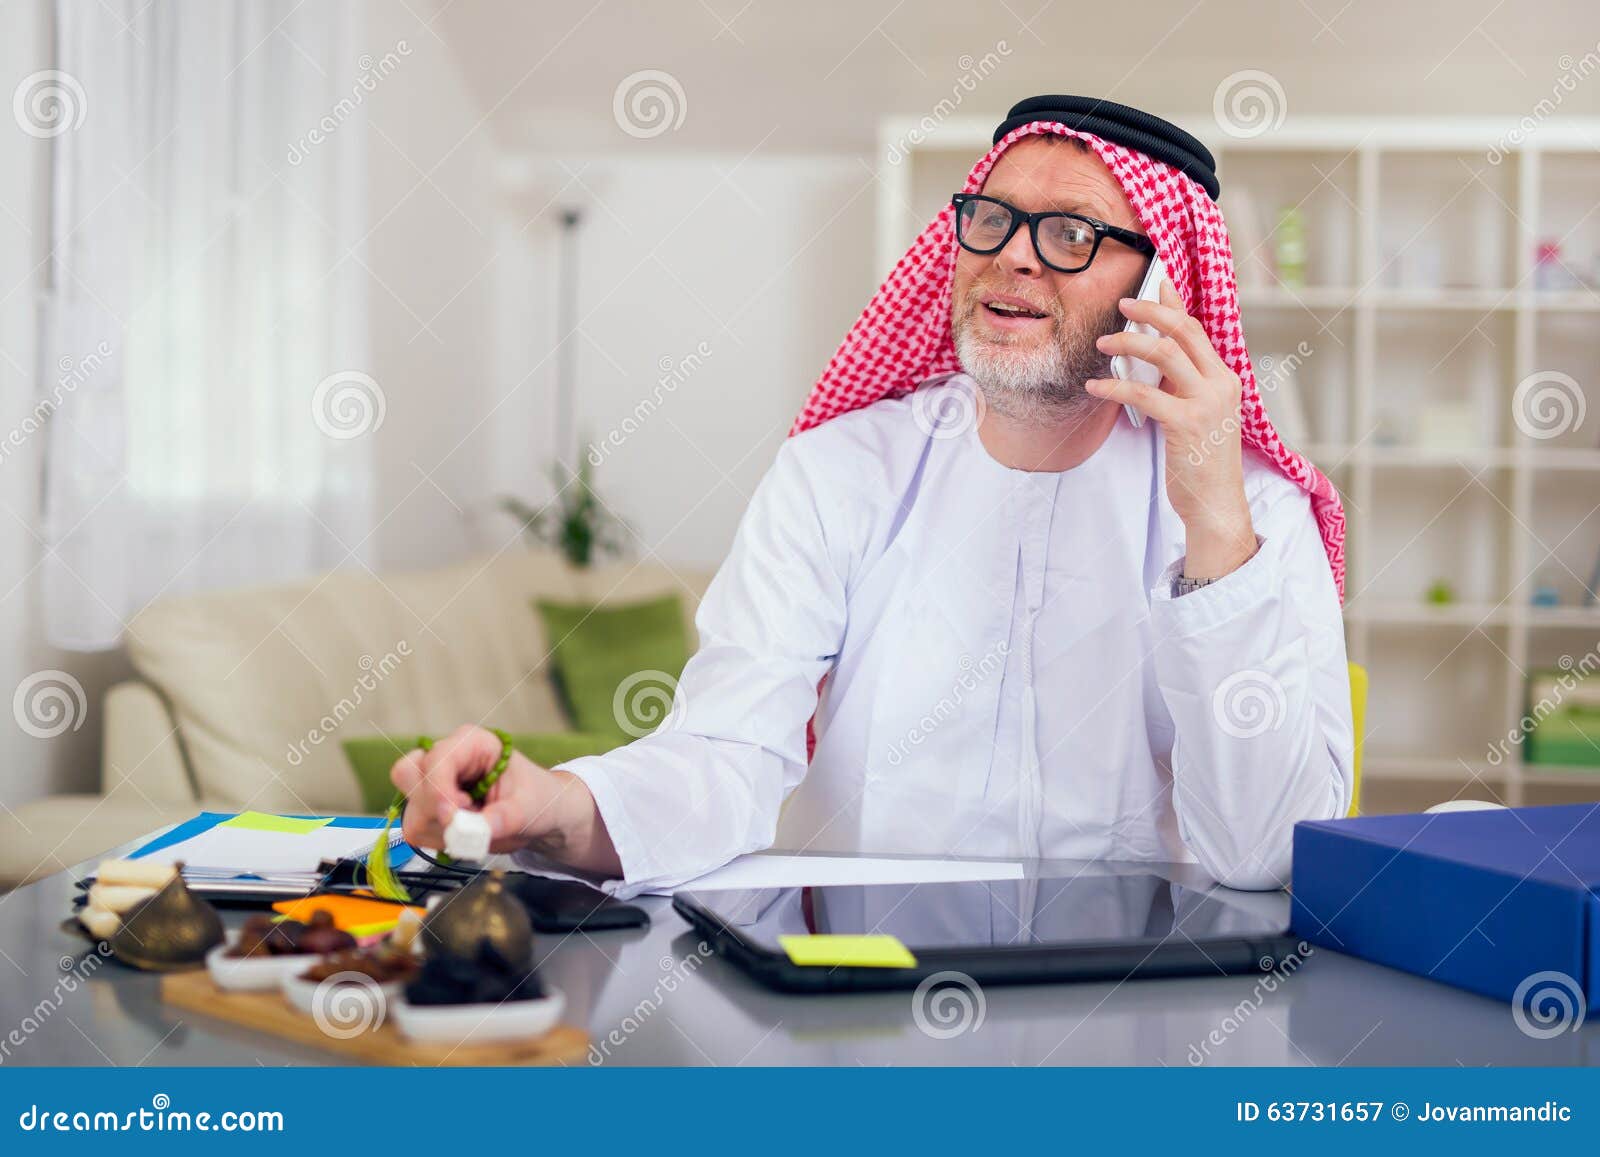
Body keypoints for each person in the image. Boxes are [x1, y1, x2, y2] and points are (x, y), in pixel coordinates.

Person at [390, 96, 1353, 897]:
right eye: (994, 219)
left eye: (1070, 234)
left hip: (1144, 1021)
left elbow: (1264, 854)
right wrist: (554, 806)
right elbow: (725, 752)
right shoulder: (840, 474)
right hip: (865, 1001)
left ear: (1160, 284)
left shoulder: (1253, 514)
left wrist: (1216, 527)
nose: (1014, 255)